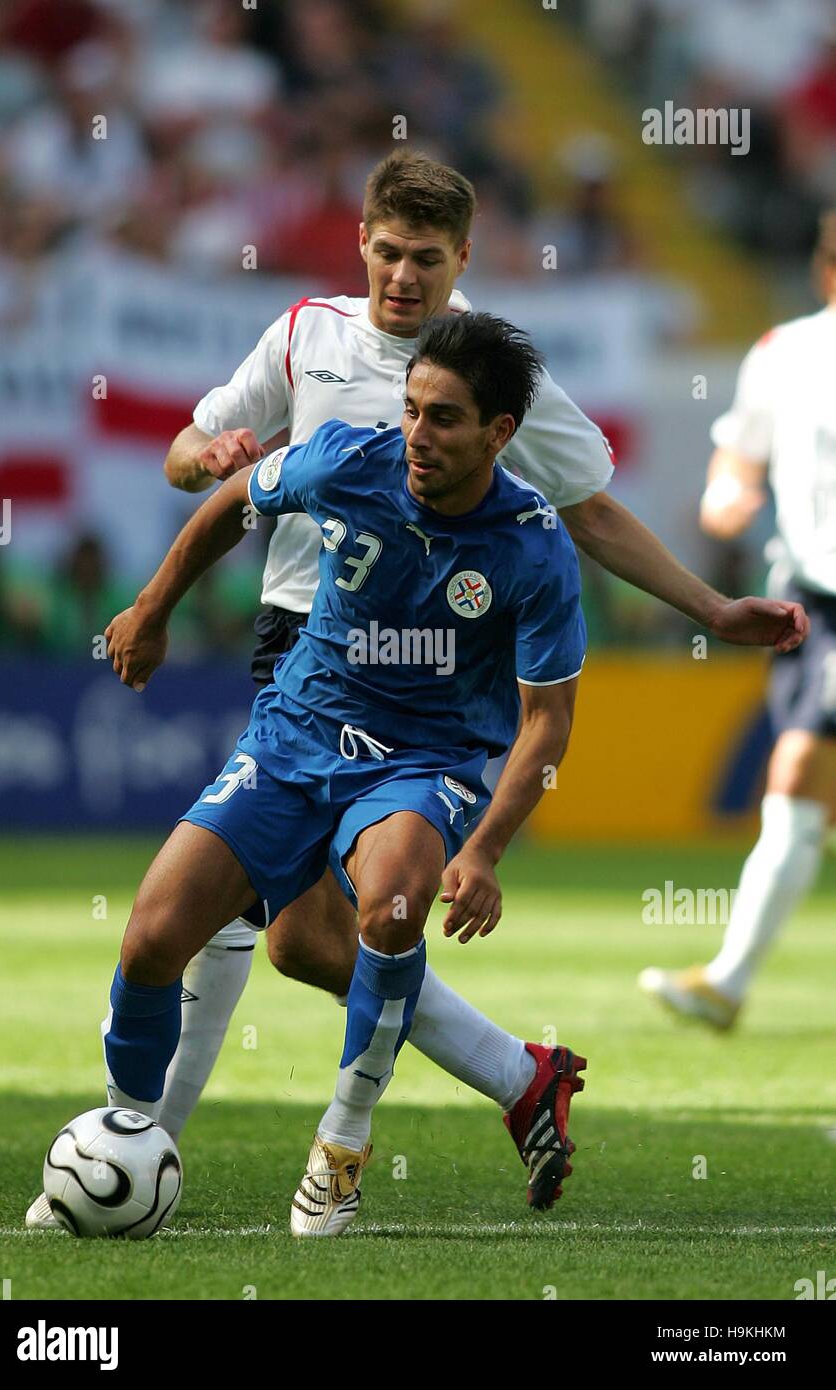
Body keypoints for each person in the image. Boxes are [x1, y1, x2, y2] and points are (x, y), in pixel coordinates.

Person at [150, 150, 807, 1157]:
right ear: (359, 244)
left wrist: (710, 606)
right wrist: (213, 457)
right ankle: (518, 1073)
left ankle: (147, 1140)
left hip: (422, 670)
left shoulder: (494, 372)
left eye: (425, 258)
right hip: (298, 643)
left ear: (461, 258)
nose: (402, 277)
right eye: (386, 254)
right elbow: (190, 451)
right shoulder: (303, 336)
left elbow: (590, 510)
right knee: (302, 937)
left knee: (251, 917)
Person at [98, 313, 586, 1235]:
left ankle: (342, 1148)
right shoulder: (342, 460)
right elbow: (230, 499)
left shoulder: (533, 543)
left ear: (498, 434)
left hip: (424, 759)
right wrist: (153, 607)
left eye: (443, 419)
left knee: (393, 905)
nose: (415, 435)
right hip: (297, 732)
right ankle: (118, 1143)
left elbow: (546, 721)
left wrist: (482, 852)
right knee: (157, 937)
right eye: (409, 410)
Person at [639, 210, 836, 1029]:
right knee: (798, 790)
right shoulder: (783, 354)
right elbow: (738, 451)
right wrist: (727, 493)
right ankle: (727, 982)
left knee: (796, 771)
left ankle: (727, 977)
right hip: (810, 602)